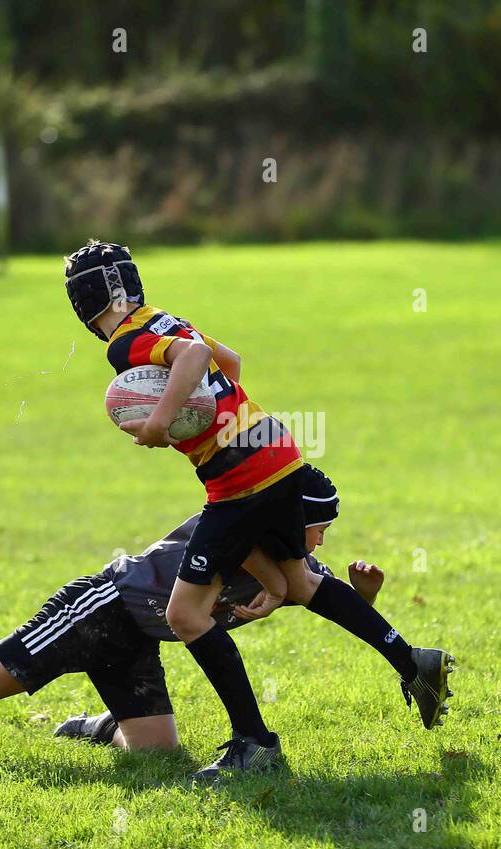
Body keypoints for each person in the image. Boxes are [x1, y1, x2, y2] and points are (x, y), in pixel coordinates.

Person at [63, 240, 454, 779]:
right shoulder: (164, 319)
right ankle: (413, 662)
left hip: (239, 476)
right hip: (277, 453)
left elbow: (198, 360)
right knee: (296, 584)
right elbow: (231, 362)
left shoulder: (125, 342)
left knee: (184, 615)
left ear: (84, 301)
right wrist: (204, 408)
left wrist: (160, 423)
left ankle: (255, 742)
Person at [0, 467, 436, 781]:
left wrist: (368, 601)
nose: (320, 542)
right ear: (292, 522)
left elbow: (321, 602)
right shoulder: (254, 538)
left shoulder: (284, 554)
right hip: (99, 609)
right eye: (318, 528)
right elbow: (295, 589)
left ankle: (107, 722)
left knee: (154, 752)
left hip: (136, 638)